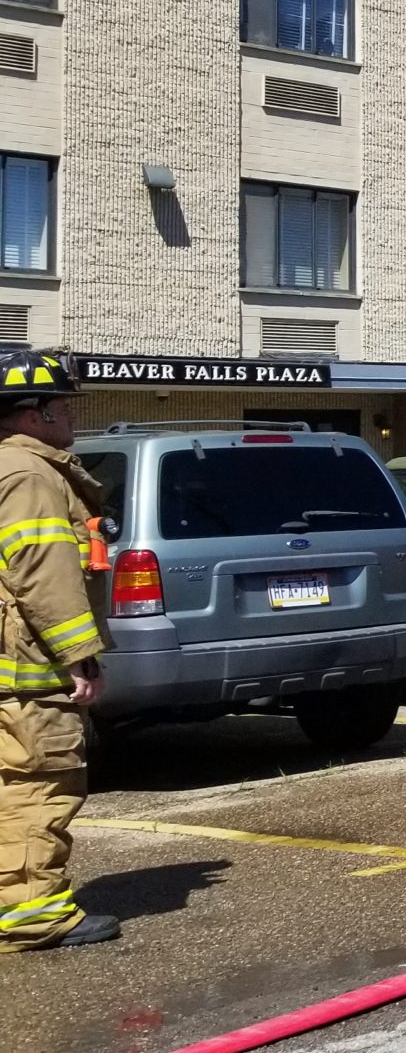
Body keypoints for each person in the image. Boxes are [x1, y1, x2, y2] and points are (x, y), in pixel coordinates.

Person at [0, 351, 117, 951]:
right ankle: (32, 916)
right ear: (35, 412)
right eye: (64, 403)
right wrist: (79, 655)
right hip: (29, 673)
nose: (71, 412)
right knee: (40, 785)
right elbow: (43, 571)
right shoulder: (30, 474)